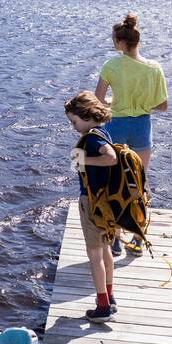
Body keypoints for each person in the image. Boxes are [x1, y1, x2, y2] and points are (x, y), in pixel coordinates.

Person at [96, 13, 168, 255]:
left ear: (119, 42)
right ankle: (138, 238)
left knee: (113, 182)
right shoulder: (154, 68)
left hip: (115, 125)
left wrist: (112, 102)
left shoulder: (110, 66)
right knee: (139, 183)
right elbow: (163, 106)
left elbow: (98, 100)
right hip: (141, 127)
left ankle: (114, 238)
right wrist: (142, 103)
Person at [65, 91, 118, 324]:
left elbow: (111, 157)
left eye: (74, 121)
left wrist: (83, 160)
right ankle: (110, 296)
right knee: (105, 250)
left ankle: (103, 306)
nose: (73, 127)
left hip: (92, 202)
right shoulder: (102, 132)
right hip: (106, 200)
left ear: (86, 116)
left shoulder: (92, 139)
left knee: (94, 254)